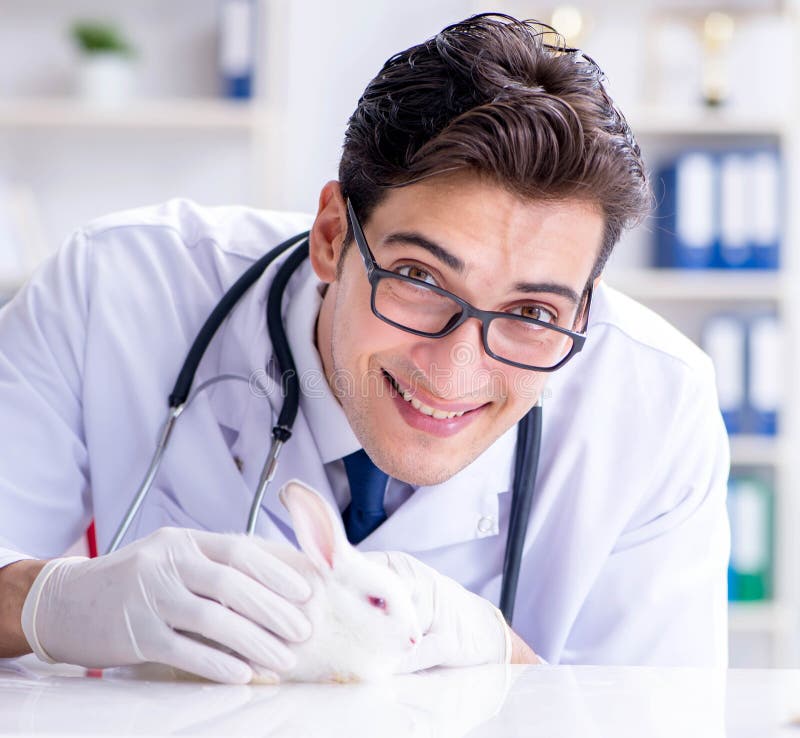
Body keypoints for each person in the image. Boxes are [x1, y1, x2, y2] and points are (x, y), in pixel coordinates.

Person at [0, 14, 730, 682]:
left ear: (585, 307)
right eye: (420, 278)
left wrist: (505, 657)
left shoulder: (659, 405)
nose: (456, 371)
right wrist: (49, 604)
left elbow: (658, 718)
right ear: (331, 236)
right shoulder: (116, 286)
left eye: (532, 312)